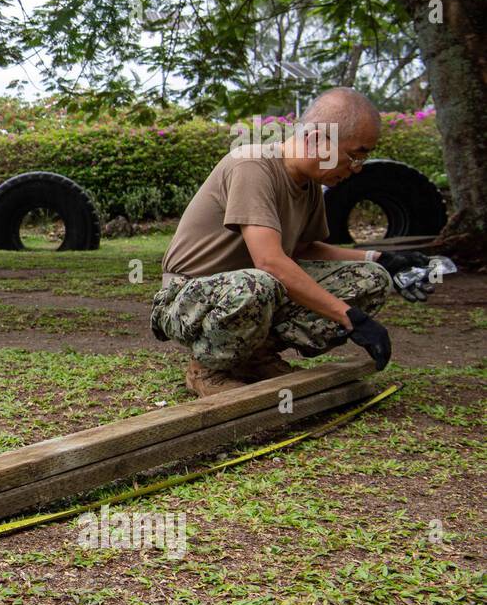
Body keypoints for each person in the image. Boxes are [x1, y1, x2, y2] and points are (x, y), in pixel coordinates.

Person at [150, 88, 425, 396]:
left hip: (252, 291)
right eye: (354, 154)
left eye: (364, 157)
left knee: (371, 280)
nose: (357, 167)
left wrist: (379, 258)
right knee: (260, 283)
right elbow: (270, 261)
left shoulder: (309, 183)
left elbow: (304, 249)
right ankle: (209, 368)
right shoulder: (252, 164)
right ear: (318, 138)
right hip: (188, 298)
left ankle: (255, 356)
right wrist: (350, 318)